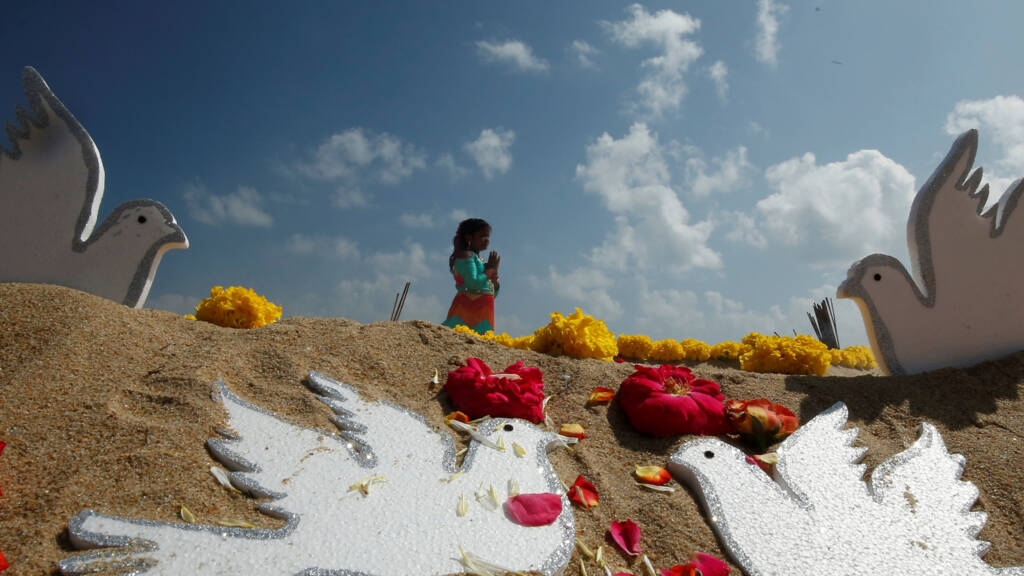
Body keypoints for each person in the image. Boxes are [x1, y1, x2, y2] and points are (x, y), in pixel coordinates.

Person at [442, 218, 500, 334]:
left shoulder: (481, 261)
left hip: (484, 310)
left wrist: (495, 278)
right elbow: (473, 283)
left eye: (488, 236)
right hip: (467, 308)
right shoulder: (466, 256)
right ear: (469, 237)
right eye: (482, 236)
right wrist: (489, 271)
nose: (487, 240)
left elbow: (492, 292)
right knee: (460, 337)